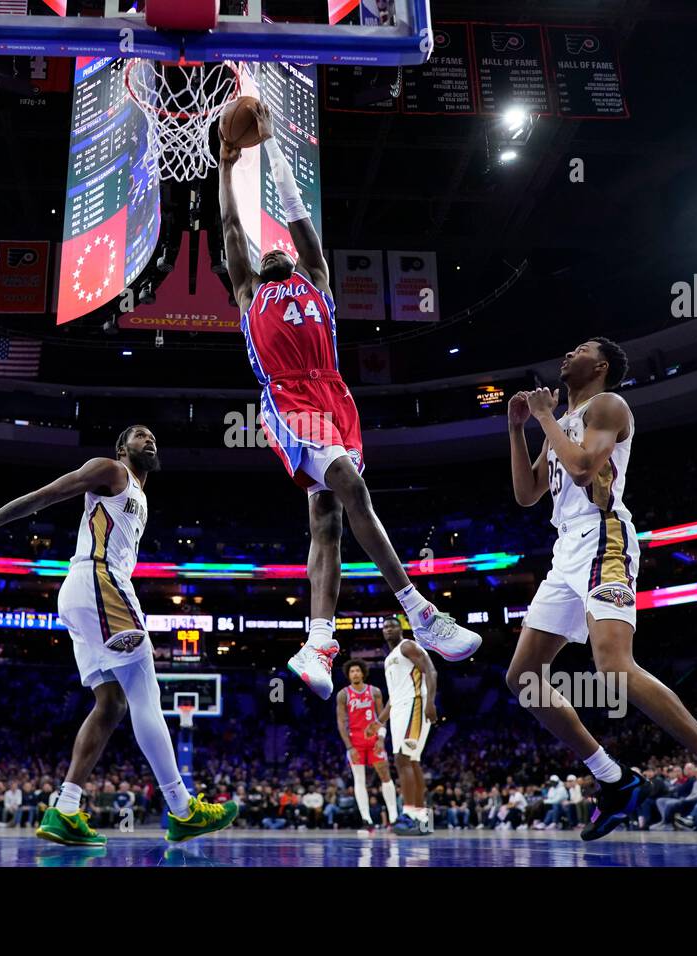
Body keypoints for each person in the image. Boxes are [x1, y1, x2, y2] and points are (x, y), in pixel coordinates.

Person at [218, 105, 481, 700]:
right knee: (349, 486)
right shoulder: (246, 292)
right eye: (267, 254)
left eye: (281, 249)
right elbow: (232, 228)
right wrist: (228, 166)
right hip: (288, 396)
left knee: (326, 517)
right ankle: (420, 611)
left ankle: (318, 644)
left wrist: (278, 150)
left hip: (335, 396)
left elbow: (301, 217)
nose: (273, 251)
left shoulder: (315, 280)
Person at [506, 339, 697, 853]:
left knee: (613, 667)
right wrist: (516, 428)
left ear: (602, 365)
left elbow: (586, 468)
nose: (566, 354)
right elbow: (527, 494)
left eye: (580, 349)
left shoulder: (608, 406)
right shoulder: (557, 421)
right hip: (564, 548)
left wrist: (543, 417)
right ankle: (612, 777)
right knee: (522, 678)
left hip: (603, 537)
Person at [0, 425, 237, 845]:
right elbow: (48, 494)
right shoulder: (110, 470)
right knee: (145, 689)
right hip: (98, 580)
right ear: (121, 447)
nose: (150, 440)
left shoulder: (139, 496)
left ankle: (65, 810)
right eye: (140, 435)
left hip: (85, 593)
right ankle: (183, 809)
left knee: (111, 705)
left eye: (153, 435)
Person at [366, 617, 437, 836]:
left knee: (403, 759)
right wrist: (378, 722)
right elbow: (394, 696)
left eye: (392, 626)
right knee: (411, 760)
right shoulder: (390, 658)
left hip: (415, 704)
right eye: (385, 626)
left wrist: (431, 702)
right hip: (400, 709)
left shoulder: (407, 646)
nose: (388, 629)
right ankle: (422, 818)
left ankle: (409, 814)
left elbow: (431, 671)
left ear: (400, 629)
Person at [335, 658, 398, 831]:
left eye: (357, 670)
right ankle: (366, 819)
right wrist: (349, 746)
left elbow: (383, 716)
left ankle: (393, 817)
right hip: (355, 741)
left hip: (373, 739)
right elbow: (341, 723)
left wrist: (381, 738)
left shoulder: (375, 692)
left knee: (385, 775)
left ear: (363, 673)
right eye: (351, 671)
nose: (355, 673)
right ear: (348, 675)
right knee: (359, 780)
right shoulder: (343, 694)